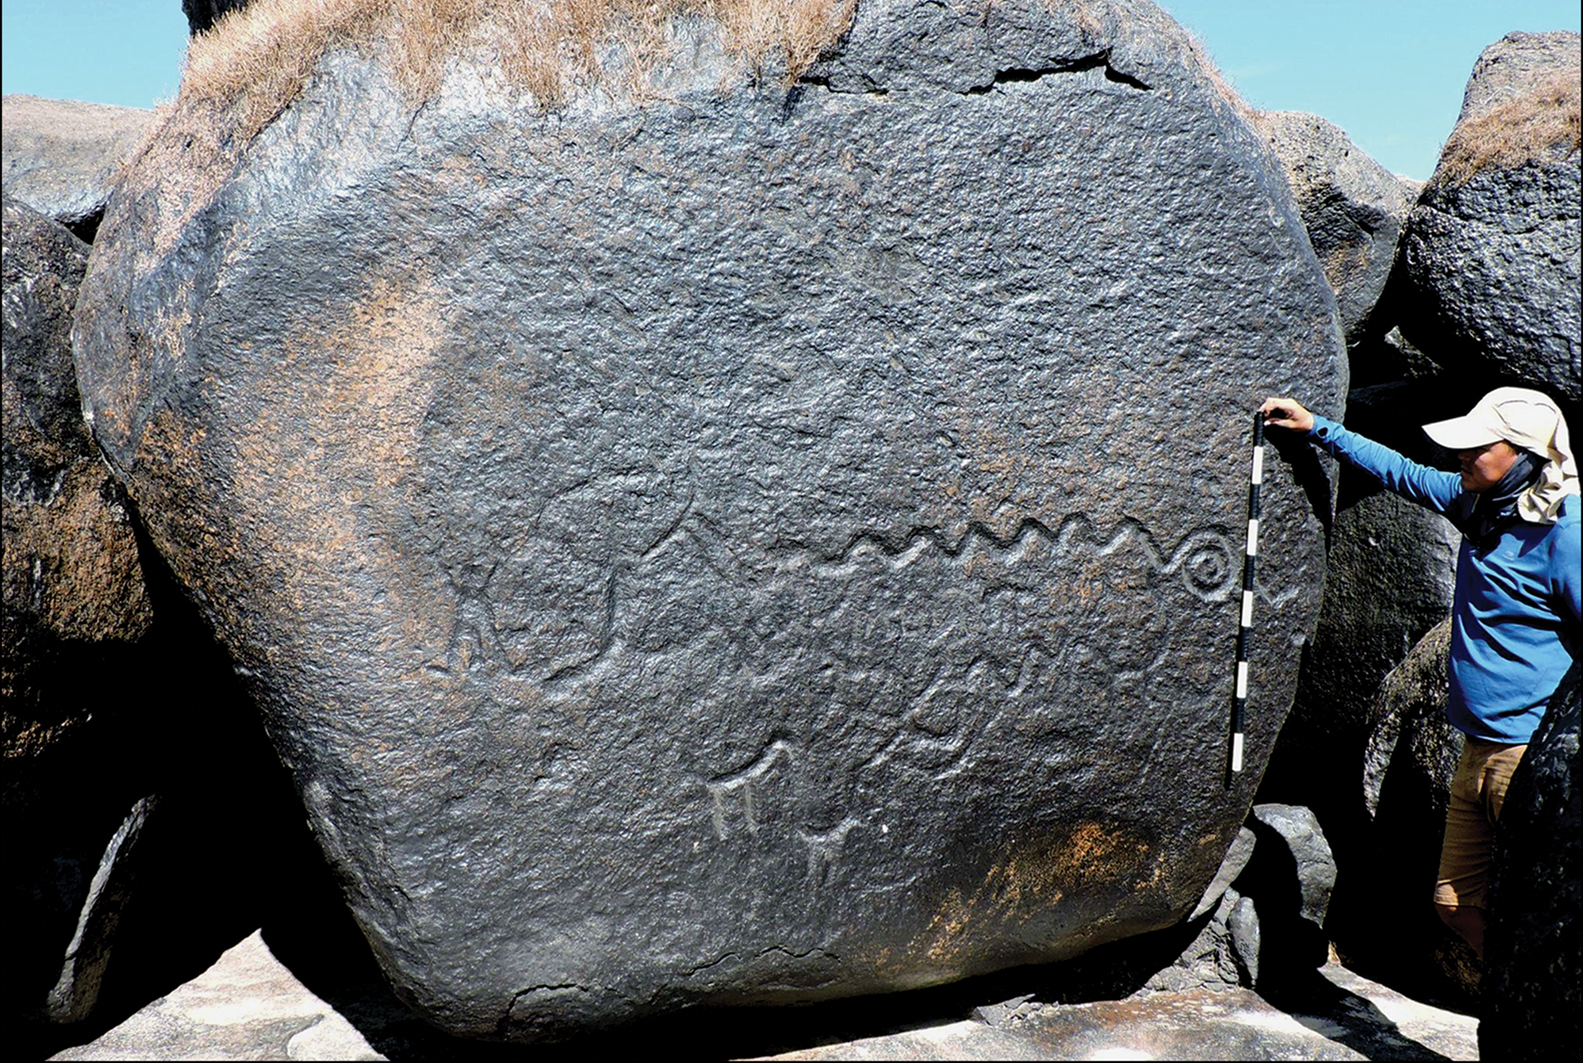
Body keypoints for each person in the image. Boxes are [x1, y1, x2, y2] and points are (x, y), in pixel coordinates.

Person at [1259, 387, 1580, 959]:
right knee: (1455, 904)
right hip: (1475, 749)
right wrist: (1317, 428)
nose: (1461, 455)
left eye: (1478, 446)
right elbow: (1401, 471)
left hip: (1529, 758)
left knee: (1548, 914)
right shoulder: (1481, 504)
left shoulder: (1565, 532)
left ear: (1527, 457)